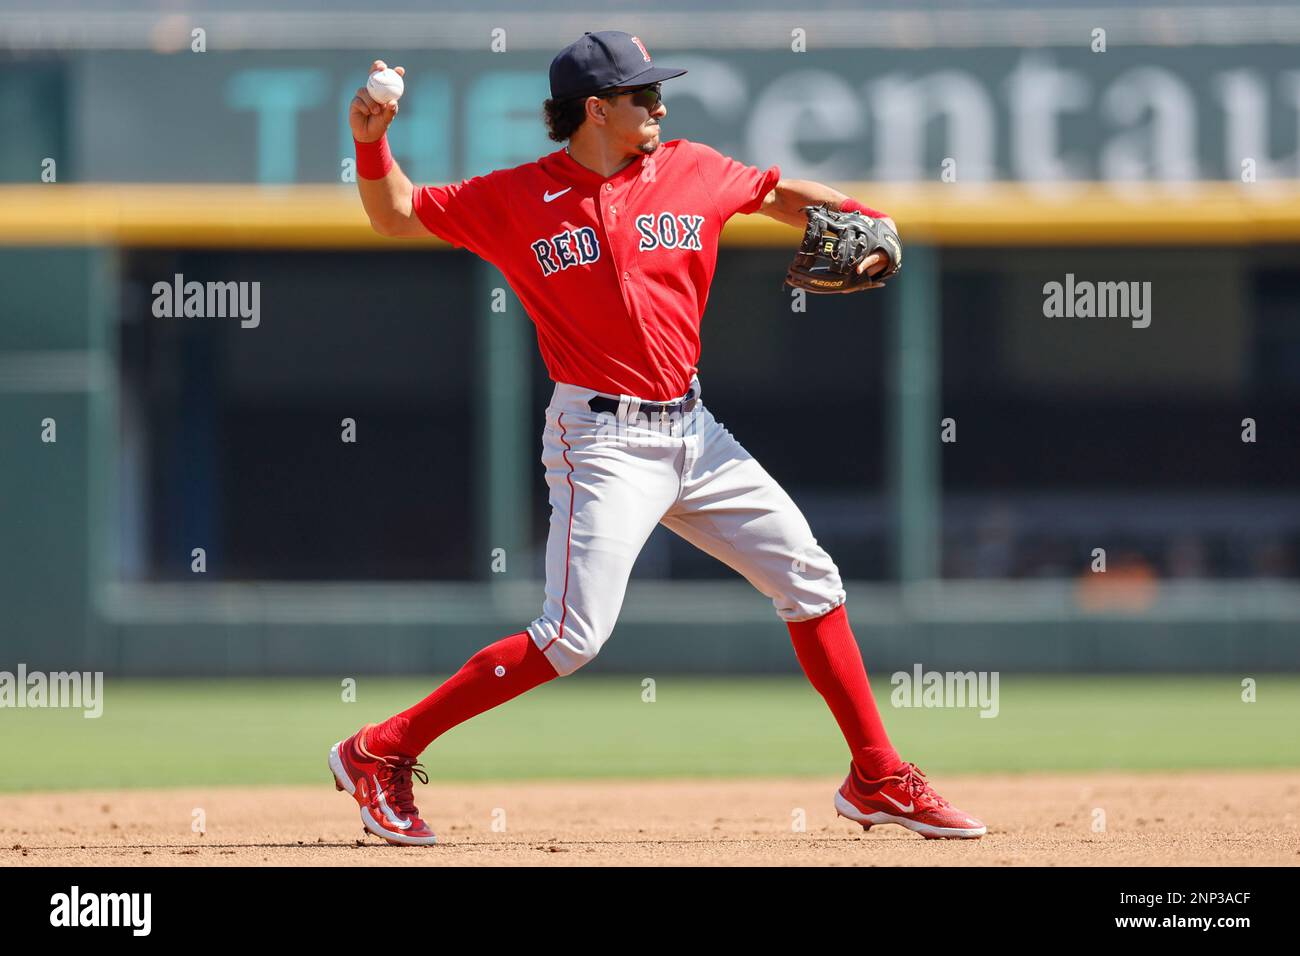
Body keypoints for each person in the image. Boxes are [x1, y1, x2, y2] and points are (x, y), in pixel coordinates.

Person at [330, 31, 985, 845]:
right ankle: (378, 752)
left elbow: (780, 195)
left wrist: (860, 217)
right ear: (596, 110)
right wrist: (370, 141)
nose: (659, 106)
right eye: (643, 95)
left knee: (812, 580)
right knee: (572, 637)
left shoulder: (692, 168)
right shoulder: (514, 197)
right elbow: (395, 213)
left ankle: (878, 776)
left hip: (695, 431)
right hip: (599, 441)